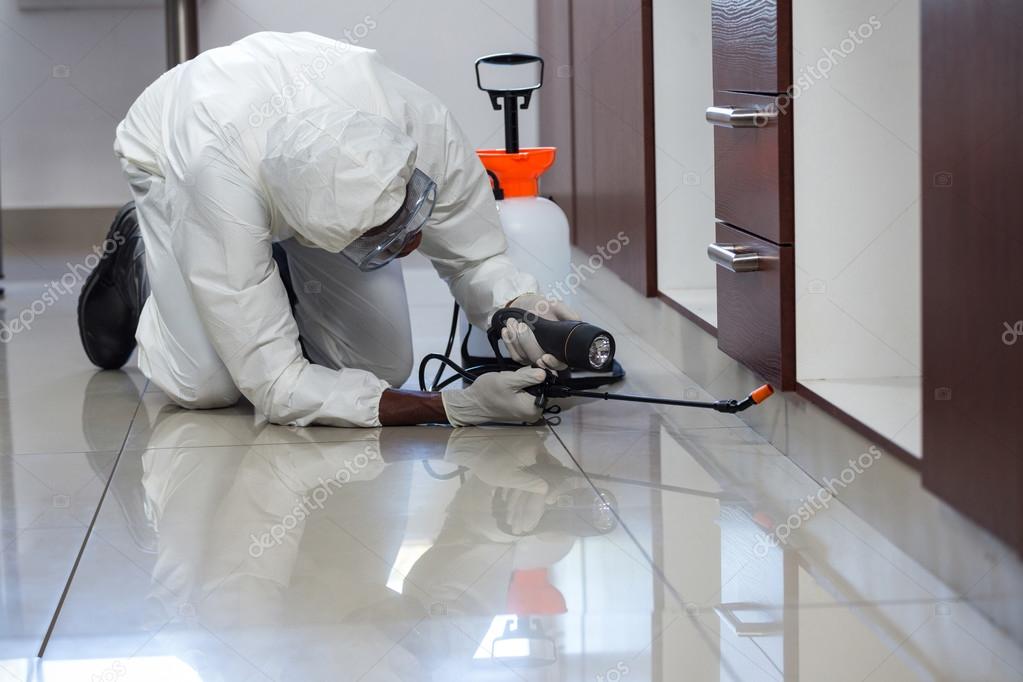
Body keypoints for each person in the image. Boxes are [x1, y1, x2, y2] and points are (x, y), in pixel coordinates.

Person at [77, 31, 579, 428]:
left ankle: (265, 288)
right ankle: (141, 256)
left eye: (411, 213)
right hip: (172, 146)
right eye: (385, 241)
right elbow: (276, 386)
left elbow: (476, 257)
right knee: (206, 386)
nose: (413, 244)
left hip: (281, 127)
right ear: (320, 237)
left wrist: (521, 308)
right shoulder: (215, 185)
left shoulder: (418, 123)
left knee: (380, 369)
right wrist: (451, 407)